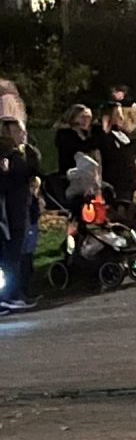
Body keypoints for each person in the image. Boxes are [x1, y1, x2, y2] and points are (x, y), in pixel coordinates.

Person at [0, 117, 41, 313]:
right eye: (18, 131)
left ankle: (15, 293)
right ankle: (9, 295)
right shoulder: (7, 155)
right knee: (11, 255)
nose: (22, 135)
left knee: (17, 253)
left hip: (21, 207)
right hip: (11, 211)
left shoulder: (22, 153)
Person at [93, 102, 136, 202]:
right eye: (117, 115)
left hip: (128, 181)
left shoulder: (121, 133)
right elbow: (117, 154)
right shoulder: (102, 136)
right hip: (116, 182)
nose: (122, 118)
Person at [54, 104, 95, 176]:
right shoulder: (65, 134)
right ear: (73, 117)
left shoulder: (87, 134)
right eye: (82, 117)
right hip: (71, 174)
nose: (86, 120)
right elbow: (79, 148)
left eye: (89, 117)